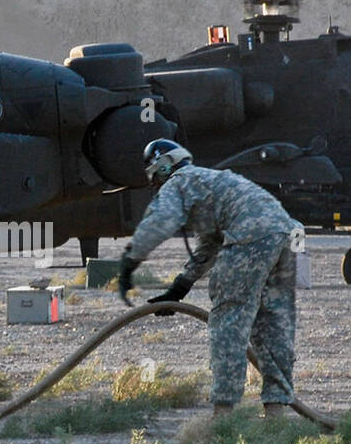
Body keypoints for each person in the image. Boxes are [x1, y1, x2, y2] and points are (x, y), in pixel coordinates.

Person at [117, 140, 302, 419]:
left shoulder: (179, 182)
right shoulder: (206, 181)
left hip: (251, 234)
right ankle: (276, 412)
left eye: (153, 177)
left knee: (230, 317)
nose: (154, 185)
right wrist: (177, 290)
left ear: (163, 167)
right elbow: (209, 246)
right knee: (272, 321)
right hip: (285, 233)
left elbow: (160, 220)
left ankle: (223, 414)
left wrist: (129, 262)